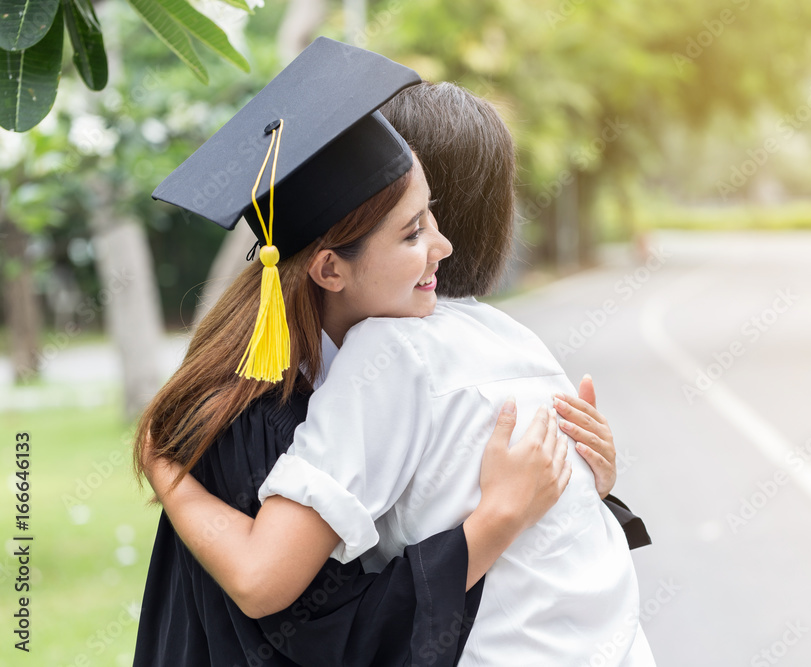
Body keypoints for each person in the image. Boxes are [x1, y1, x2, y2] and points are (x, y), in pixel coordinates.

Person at [134, 38, 641, 667]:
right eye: (413, 231)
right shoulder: (268, 414)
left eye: (432, 217)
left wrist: (584, 482)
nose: (445, 246)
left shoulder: (394, 358)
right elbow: (318, 627)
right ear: (329, 270)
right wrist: (169, 472)